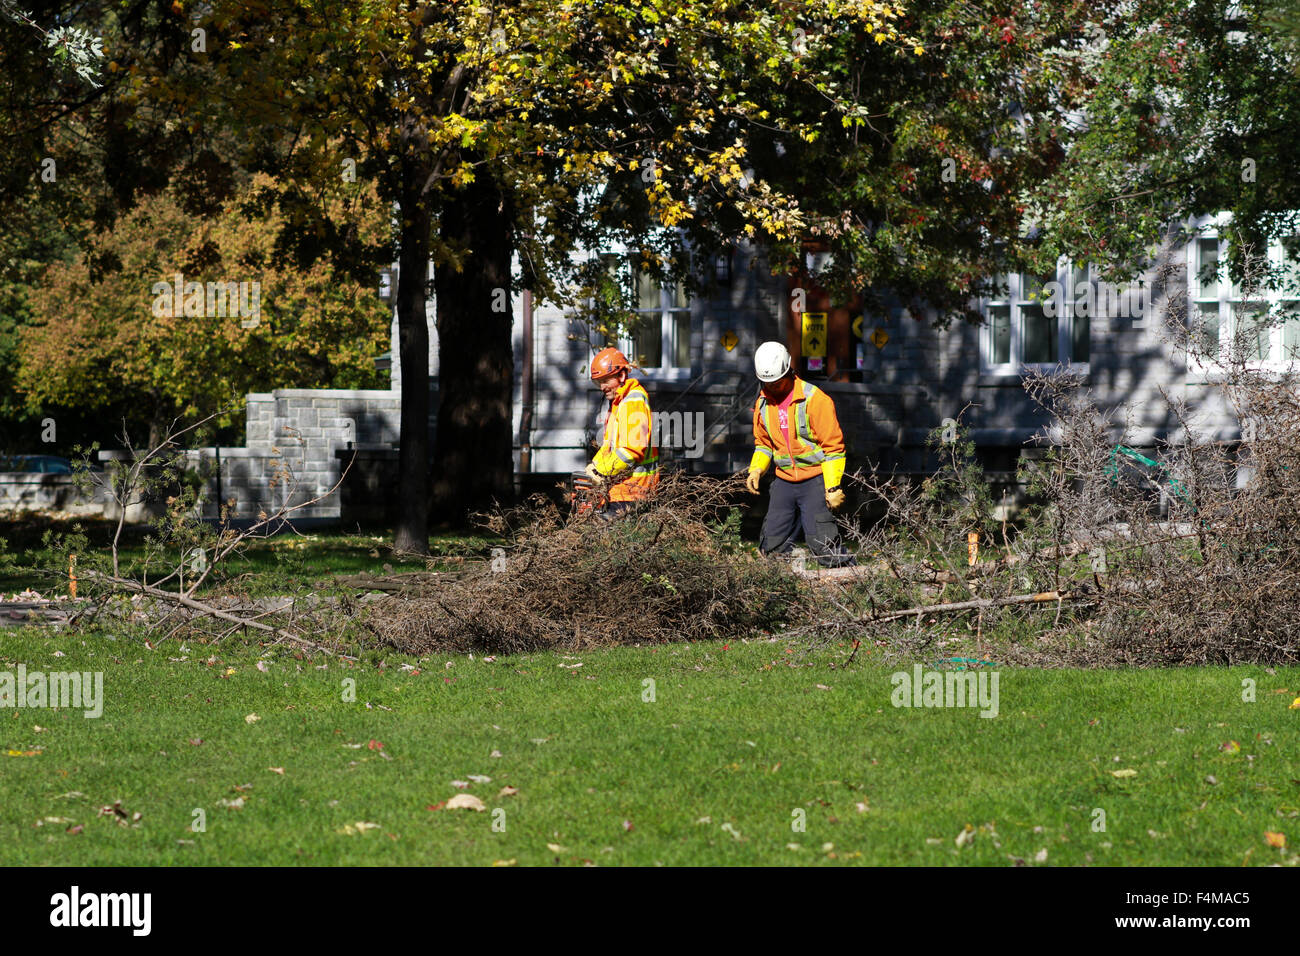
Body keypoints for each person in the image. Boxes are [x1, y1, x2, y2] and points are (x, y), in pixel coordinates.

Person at [744, 341, 854, 566]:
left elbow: (833, 448)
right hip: (784, 481)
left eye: (776, 382)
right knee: (772, 545)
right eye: (766, 383)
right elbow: (764, 444)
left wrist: (832, 487)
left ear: (789, 372)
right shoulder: (763, 404)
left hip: (814, 480)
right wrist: (756, 469)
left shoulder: (815, 399)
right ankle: (778, 594)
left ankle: (852, 585)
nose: (771, 387)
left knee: (823, 545)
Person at [585, 346, 659, 517]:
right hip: (622, 489)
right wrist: (594, 466)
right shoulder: (619, 402)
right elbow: (609, 447)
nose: (602, 387)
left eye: (606, 380)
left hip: (633, 490)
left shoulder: (633, 400)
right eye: (599, 382)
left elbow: (631, 451)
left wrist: (600, 472)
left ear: (621, 375)